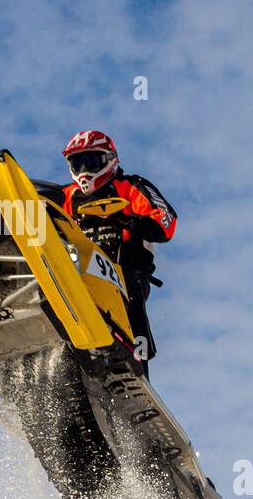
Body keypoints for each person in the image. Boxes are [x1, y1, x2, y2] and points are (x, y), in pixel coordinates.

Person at [61, 130, 177, 374]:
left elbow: (166, 222)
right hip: (81, 267)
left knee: (132, 298)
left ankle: (138, 367)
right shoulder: (68, 196)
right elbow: (45, 209)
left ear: (110, 159)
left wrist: (134, 222)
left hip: (126, 269)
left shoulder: (131, 186)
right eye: (77, 163)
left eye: (91, 162)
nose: (84, 170)